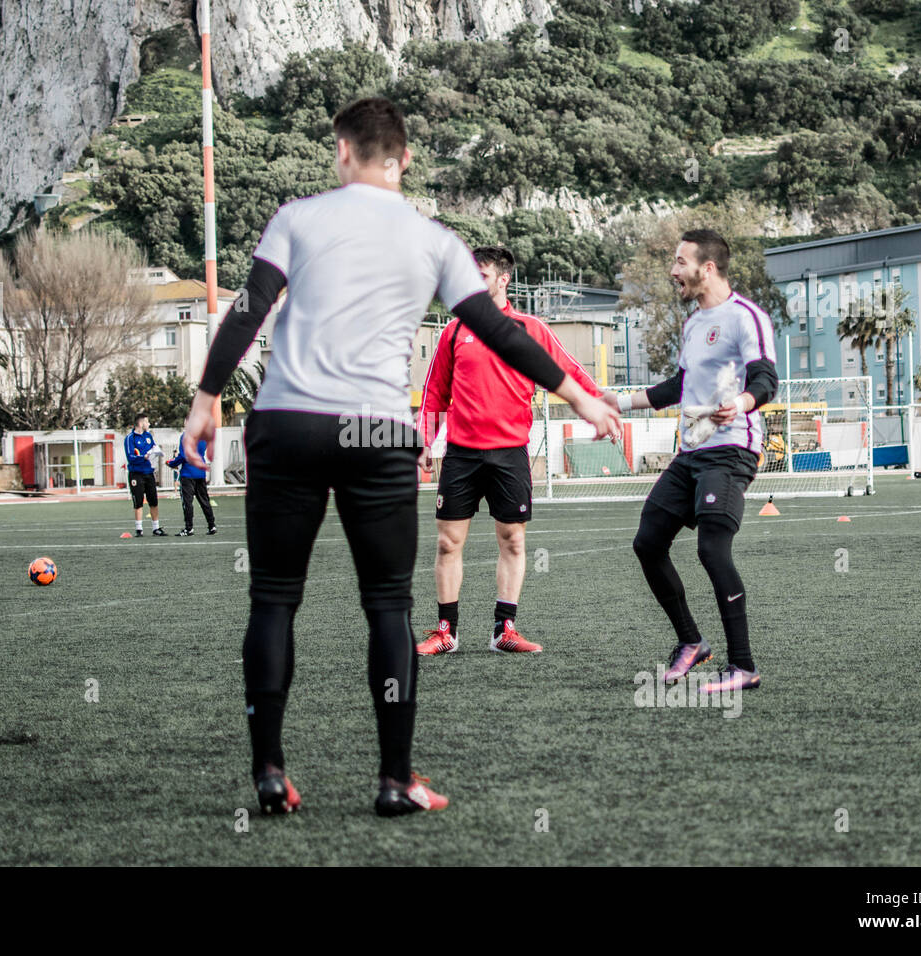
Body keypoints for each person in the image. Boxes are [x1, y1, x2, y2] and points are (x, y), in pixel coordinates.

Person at [180, 97, 620, 817]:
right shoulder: (435, 239)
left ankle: (268, 771)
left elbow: (249, 307)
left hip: (287, 423)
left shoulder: (296, 217)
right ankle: (395, 780)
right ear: (405, 159)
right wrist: (575, 393)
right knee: (387, 606)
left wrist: (206, 397)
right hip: (374, 433)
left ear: (342, 152)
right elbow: (500, 331)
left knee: (273, 600)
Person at [417, 246, 606, 656]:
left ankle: (504, 629)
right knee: (448, 543)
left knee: (513, 541)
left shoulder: (531, 328)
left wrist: (599, 407)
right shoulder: (454, 331)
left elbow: (569, 372)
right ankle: (445, 631)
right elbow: (434, 392)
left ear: (503, 279)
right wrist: (424, 439)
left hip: (510, 453)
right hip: (462, 455)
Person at [615, 229, 777, 695]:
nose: (673, 270)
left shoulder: (748, 317)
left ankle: (742, 665)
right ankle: (691, 641)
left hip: (731, 450)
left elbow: (766, 376)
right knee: (647, 543)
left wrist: (744, 401)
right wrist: (616, 403)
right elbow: (676, 389)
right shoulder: (692, 325)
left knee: (711, 550)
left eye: (680, 261)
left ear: (707, 268)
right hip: (691, 454)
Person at [167, 435, 216, 536]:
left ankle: (189, 528)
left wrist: (171, 463)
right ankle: (212, 525)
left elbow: (184, 455)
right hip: (200, 472)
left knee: (187, 502)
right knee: (204, 500)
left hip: (188, 473)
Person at [124, 414, 165, 535]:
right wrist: (144, 457)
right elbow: (130, 457)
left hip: (149, 472)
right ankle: (139, 529)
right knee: (138, 501)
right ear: (141, 423)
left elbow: (153, 448)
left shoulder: (148, 436)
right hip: (136, 474)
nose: (149, 424)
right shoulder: (130, 438)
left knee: (153, 501)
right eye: (147, 422)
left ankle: (156, 528)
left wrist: (156, 453)